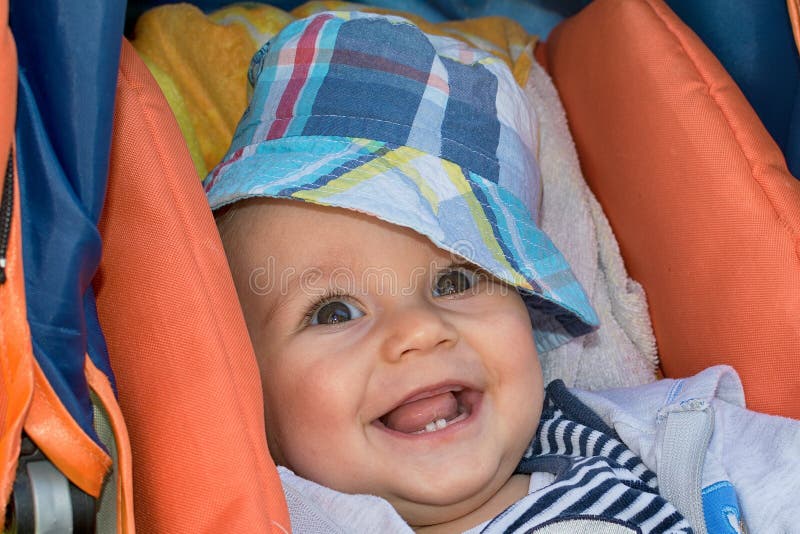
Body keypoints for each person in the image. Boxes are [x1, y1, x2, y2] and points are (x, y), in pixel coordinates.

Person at [204, 10, 800, 533]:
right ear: (246, 387)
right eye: (335, 310)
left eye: (456, 281)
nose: (419, 331)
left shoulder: (651, 440)